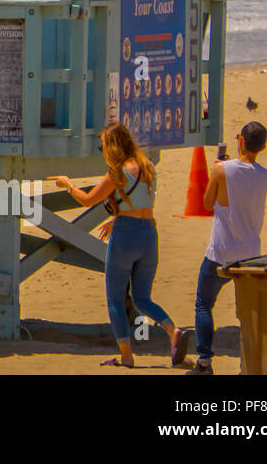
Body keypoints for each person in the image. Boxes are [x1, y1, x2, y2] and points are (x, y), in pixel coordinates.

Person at [53, 122, 189, 368]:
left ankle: (126, 357)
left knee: (115, 299)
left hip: (126, 236)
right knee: (142, 298)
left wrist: (68, 184)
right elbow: (140, 202)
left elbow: (88, 200)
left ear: (112, 146)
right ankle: (173, 330)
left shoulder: (116, 173)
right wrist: (116, 219)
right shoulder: (148, 167)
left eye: (103, 145)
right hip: (149, 234)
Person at [190, 121, 267, 375]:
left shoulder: (221, 169)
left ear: (241, 142)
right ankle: (248, 365)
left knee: (204, 304)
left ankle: (204, 362)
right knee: (248, 313)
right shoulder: (266, 176)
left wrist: (218, 169)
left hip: (221, 252)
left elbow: (206, 202)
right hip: (250, 254)